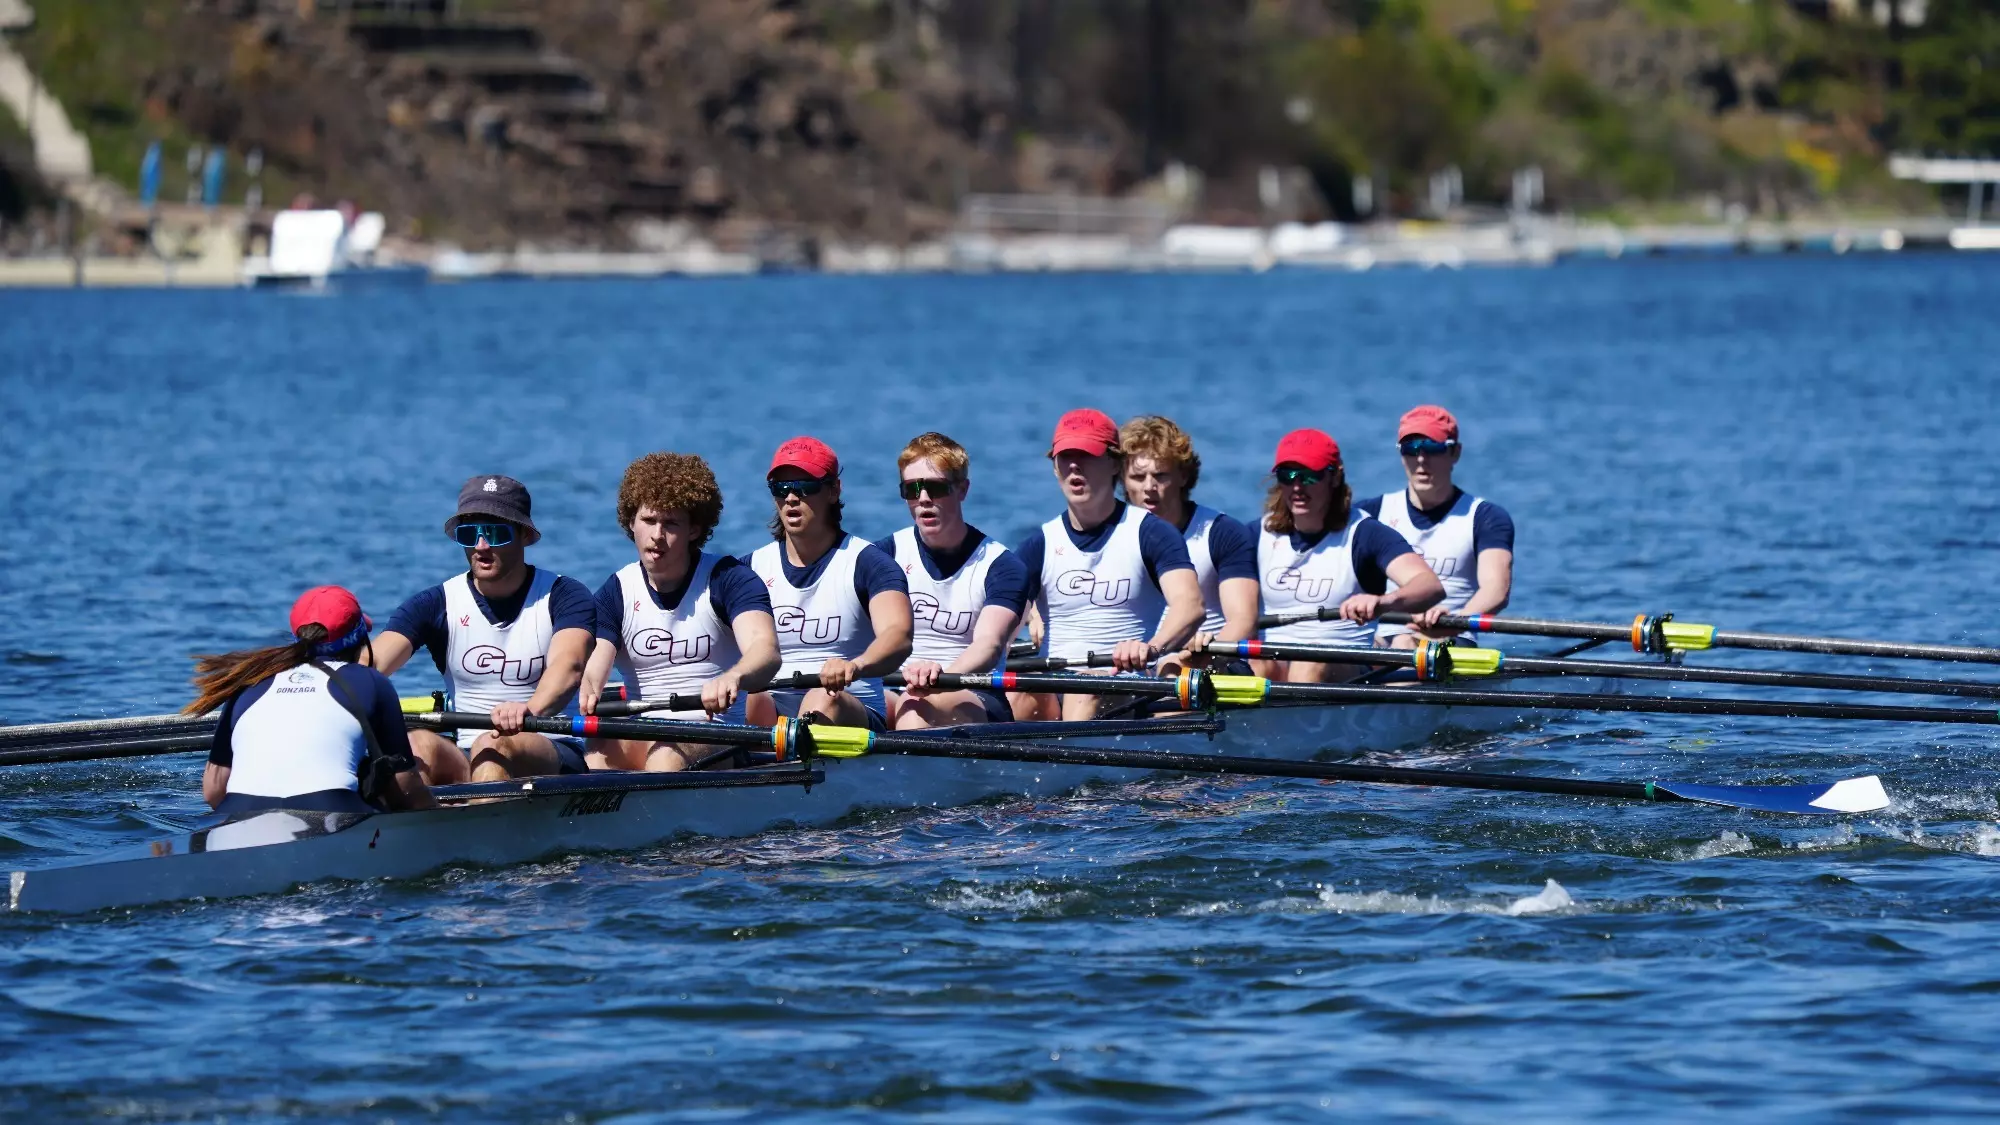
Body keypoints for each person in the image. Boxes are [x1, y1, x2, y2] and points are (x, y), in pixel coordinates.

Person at [373, 475, 597, 783]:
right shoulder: (436, 603)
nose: (481, 546)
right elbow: (370, 666)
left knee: (492, 745)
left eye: (494, 533)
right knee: (415, 744)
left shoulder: (564, 596)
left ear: (525, 536)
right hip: (466, 751)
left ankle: (474, 824)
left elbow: (568, 666)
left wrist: (529, 710)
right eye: (470, 534)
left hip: (551, 749)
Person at [579, 453, 781, 771]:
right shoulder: (616, 592)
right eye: (648, 521)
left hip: (714, 731)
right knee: (593, 759)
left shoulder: (728, 579)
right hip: (643, 730)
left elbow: (765, 651)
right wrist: (587, 691)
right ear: (631, 522)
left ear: (694, 529)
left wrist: (734, 676)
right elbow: (593, 668)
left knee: (665, 758)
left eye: (671, 523)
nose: (657, 535)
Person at [1016, 408, 1205, 721]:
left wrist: (1152, 648)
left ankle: (1068, 766)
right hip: (1055, 680)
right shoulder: (1040, 544)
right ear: (1055, 468)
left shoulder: (1151, 533)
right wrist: (1029, 615)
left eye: (1087, 455)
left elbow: (1191, 606)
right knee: (1017, 694)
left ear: (1115, 464)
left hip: (1124, 681)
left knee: (1087, 690)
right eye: (1065, 456)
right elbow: (994, 624)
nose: (1075, 466)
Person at [188, 586, 434, 817]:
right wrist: (439, 818)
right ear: (360, 639)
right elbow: (405, 789)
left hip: (237, 815)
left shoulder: (249, 682)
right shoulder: (371, 682)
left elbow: (213, 790)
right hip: (332, 814)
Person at [744, 436, 913, 730]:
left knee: (823, 699)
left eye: (805, 487)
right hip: (772, 710)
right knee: (744, 697)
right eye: (781, 489)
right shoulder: (749, 570)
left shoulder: (868, 564)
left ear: (834, 491)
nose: (791, 498)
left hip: (848, 706)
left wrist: (856, 666)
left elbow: (898, 636)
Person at [1257, 428, 1445, 682]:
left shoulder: (1365, 534)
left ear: (1334, 478)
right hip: (1275, 662)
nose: (1297, 486)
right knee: (1256, 665)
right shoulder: (1257, 534)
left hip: (1345, 662)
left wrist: (1383, 603)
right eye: (1287, 476)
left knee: (1308, 663)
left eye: (1310, 476)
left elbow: (1429, 586)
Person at [875, 432, 1031, 729]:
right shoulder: (881, 557)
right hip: (896, 687)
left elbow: (988, 645)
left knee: (914, 709)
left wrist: (940, 679)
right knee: (840, 706)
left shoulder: (1001, 566)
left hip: (972, 691)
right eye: (912, 489)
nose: (923, 499)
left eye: (935, 488)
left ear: (962, 489)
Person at [1360, 405, 1516, 648]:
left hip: (1451, 638)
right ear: (1401, 455)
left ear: (1455, 452)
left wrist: (1457, 621)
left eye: (1433, 448)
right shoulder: (1369, 514)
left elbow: (1497, 589)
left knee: (1404, 645)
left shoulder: (1485, 517)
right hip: (1381, 637)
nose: (1421, 460)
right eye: (1411, 449)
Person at [1118, 415, 1260, 663]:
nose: (1149, 487)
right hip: (1131, 662)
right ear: (1122, 480)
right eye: (1138, 478)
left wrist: (1209, 653)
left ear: (1183, 476)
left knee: (1172, 666)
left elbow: (1243, 621)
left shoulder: (1222, 533)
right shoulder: (1109, 535)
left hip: (1202, 662)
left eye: (1160, 476)